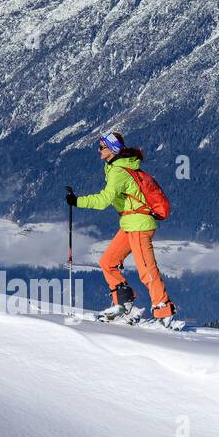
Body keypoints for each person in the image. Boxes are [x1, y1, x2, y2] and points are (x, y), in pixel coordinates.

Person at [65, 132, 178, 326]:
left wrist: (77, 201)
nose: (98, 150)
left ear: (113, 149)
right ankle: (123, 304)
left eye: (102, 147)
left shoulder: (119, 171)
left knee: (146, 270)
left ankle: (164, 311)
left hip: (139, 225)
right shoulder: (116, 167)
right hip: (129, 224)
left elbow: (103, 201)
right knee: (108, 262)